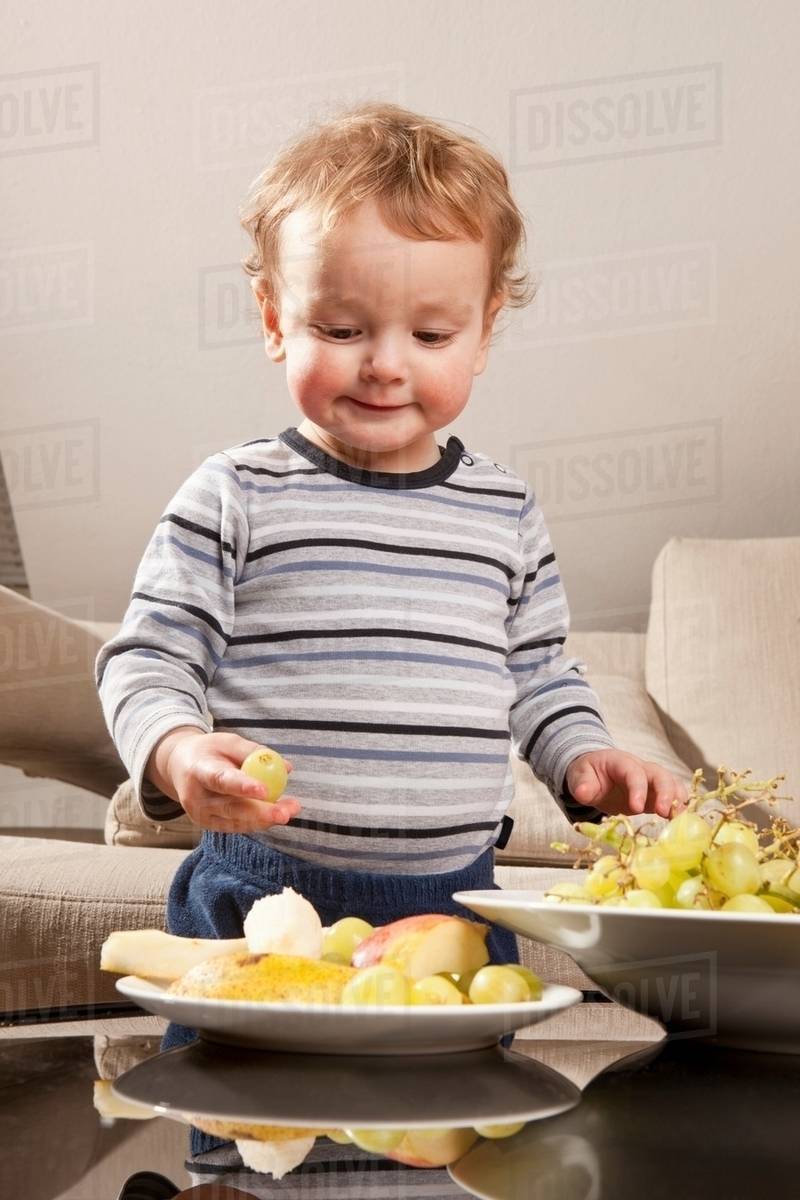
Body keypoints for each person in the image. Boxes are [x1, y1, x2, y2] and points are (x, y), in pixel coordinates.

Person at [95, 100, 688, 1163]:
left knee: (443, 1154)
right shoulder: (232, 494)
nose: (383, 364)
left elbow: (542, 676)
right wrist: (177, 751)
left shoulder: (502, 512)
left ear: (486, 327)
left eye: (429, 334)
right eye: (339, 328)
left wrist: (585, 759)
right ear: (274, 317)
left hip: (447, 916)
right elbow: (148, 655)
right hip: (259, 905)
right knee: (251, 1144)